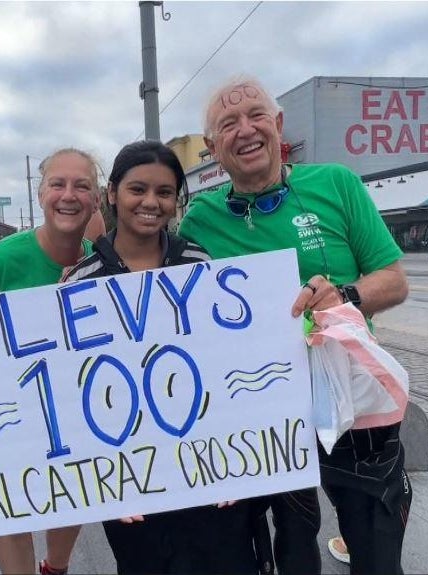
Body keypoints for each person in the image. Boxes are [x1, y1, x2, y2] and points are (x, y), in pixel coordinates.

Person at [178, 75, 411, 575]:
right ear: (214, 148)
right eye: (228, 124)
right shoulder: (199, 218)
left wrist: (344, 296)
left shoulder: (336, 183)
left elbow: (393, 281)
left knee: (375, 548)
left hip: (352, 401)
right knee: (291, 551)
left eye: (256, 115)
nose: (245, 129)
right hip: (262, 408)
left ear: (278, 125)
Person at [62, 140, 257, 574]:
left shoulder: (199, 264)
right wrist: (108, 484)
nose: (151, 202)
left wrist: (237, 462)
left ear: (176, 200)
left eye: (165, 192)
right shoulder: (80, 280)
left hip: (208, 475)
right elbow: (74, 389)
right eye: (137, 189)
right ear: (112, 193)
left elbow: (224, 364)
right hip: (131, 486)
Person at [0, 148, 100, 575]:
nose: (68, 195)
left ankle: (55, 568)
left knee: (73, 495)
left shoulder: (105, 263)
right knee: (10, 505)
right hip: (7, 412)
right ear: (40, 194)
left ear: (96, 199)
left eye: (82, 186)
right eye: (58, 184)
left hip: (80, 410)